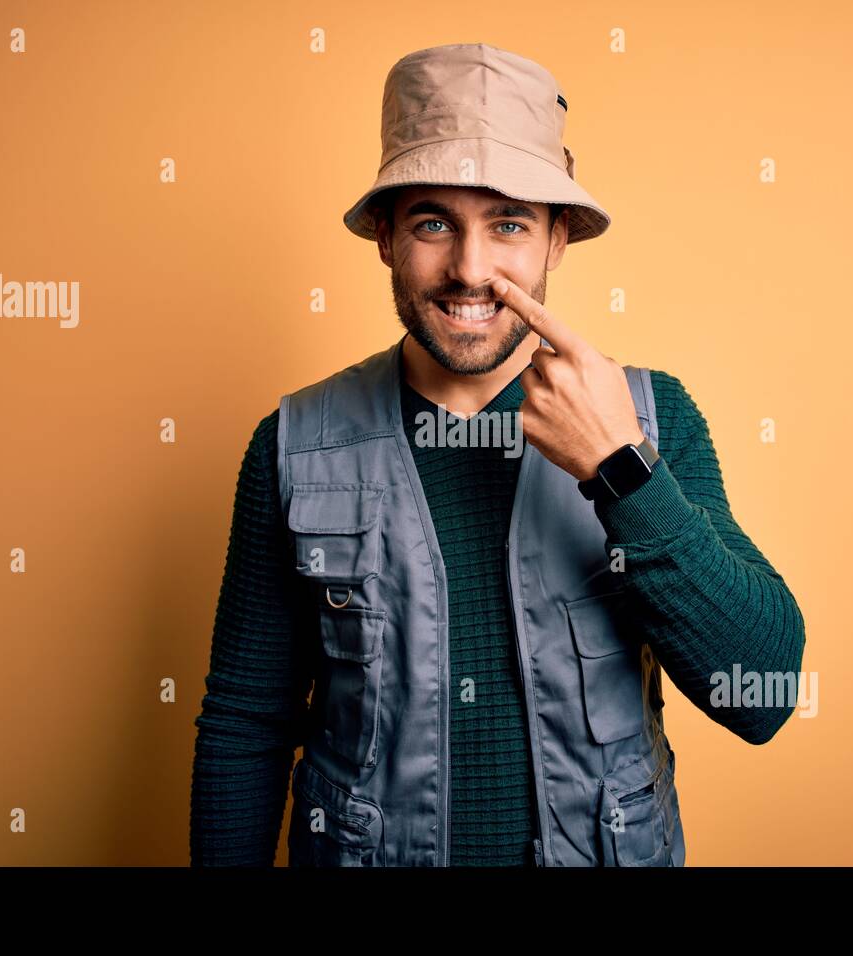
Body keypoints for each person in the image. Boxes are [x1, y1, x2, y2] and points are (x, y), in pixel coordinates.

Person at [190, 42, 806, 867]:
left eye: (508, 223)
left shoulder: (653, 419)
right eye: (434, 223)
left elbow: (761, 694)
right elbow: (246, 721)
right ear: (384, 236)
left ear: (557, 241)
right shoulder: (296, 443)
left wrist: (619, 468)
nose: (471, 271)